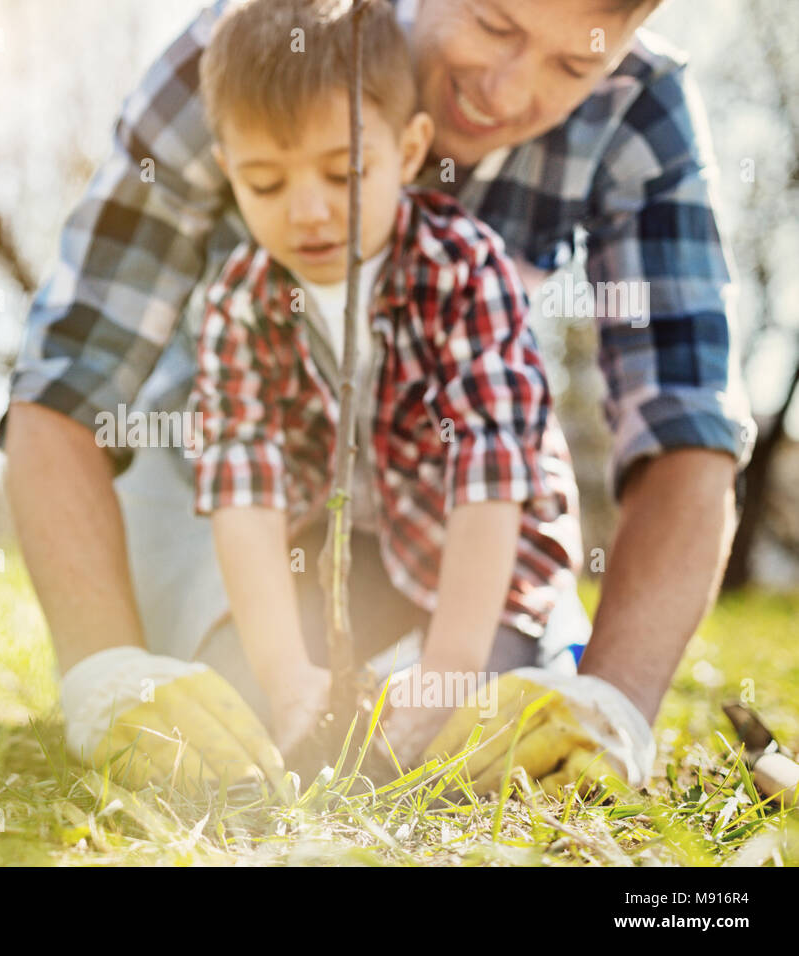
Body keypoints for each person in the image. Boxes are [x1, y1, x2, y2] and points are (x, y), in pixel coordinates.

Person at [0, 0, 755, 792]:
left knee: (498, 710)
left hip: (465, 517)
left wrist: (613, 703)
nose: (504, 90)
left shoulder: (635, 114)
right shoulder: (245, 49)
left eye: (572, 66)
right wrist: (105, 672)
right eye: (494, 25)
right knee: (242, 704)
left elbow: (682, 428)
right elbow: (67, 384)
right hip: (226, 485)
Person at [190, 0, 580, 769]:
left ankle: (557, 646)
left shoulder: (464, 270)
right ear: (229, 170)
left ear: (408, 154)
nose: (308, 212)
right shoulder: (239, 304)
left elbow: (489, 478)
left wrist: (447, 672)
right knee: (235, 696)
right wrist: (283, 676)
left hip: (484, 555)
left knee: (473, 734)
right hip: (349, 551)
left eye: (344, 174)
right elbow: (246, 498)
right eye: (266, 183)